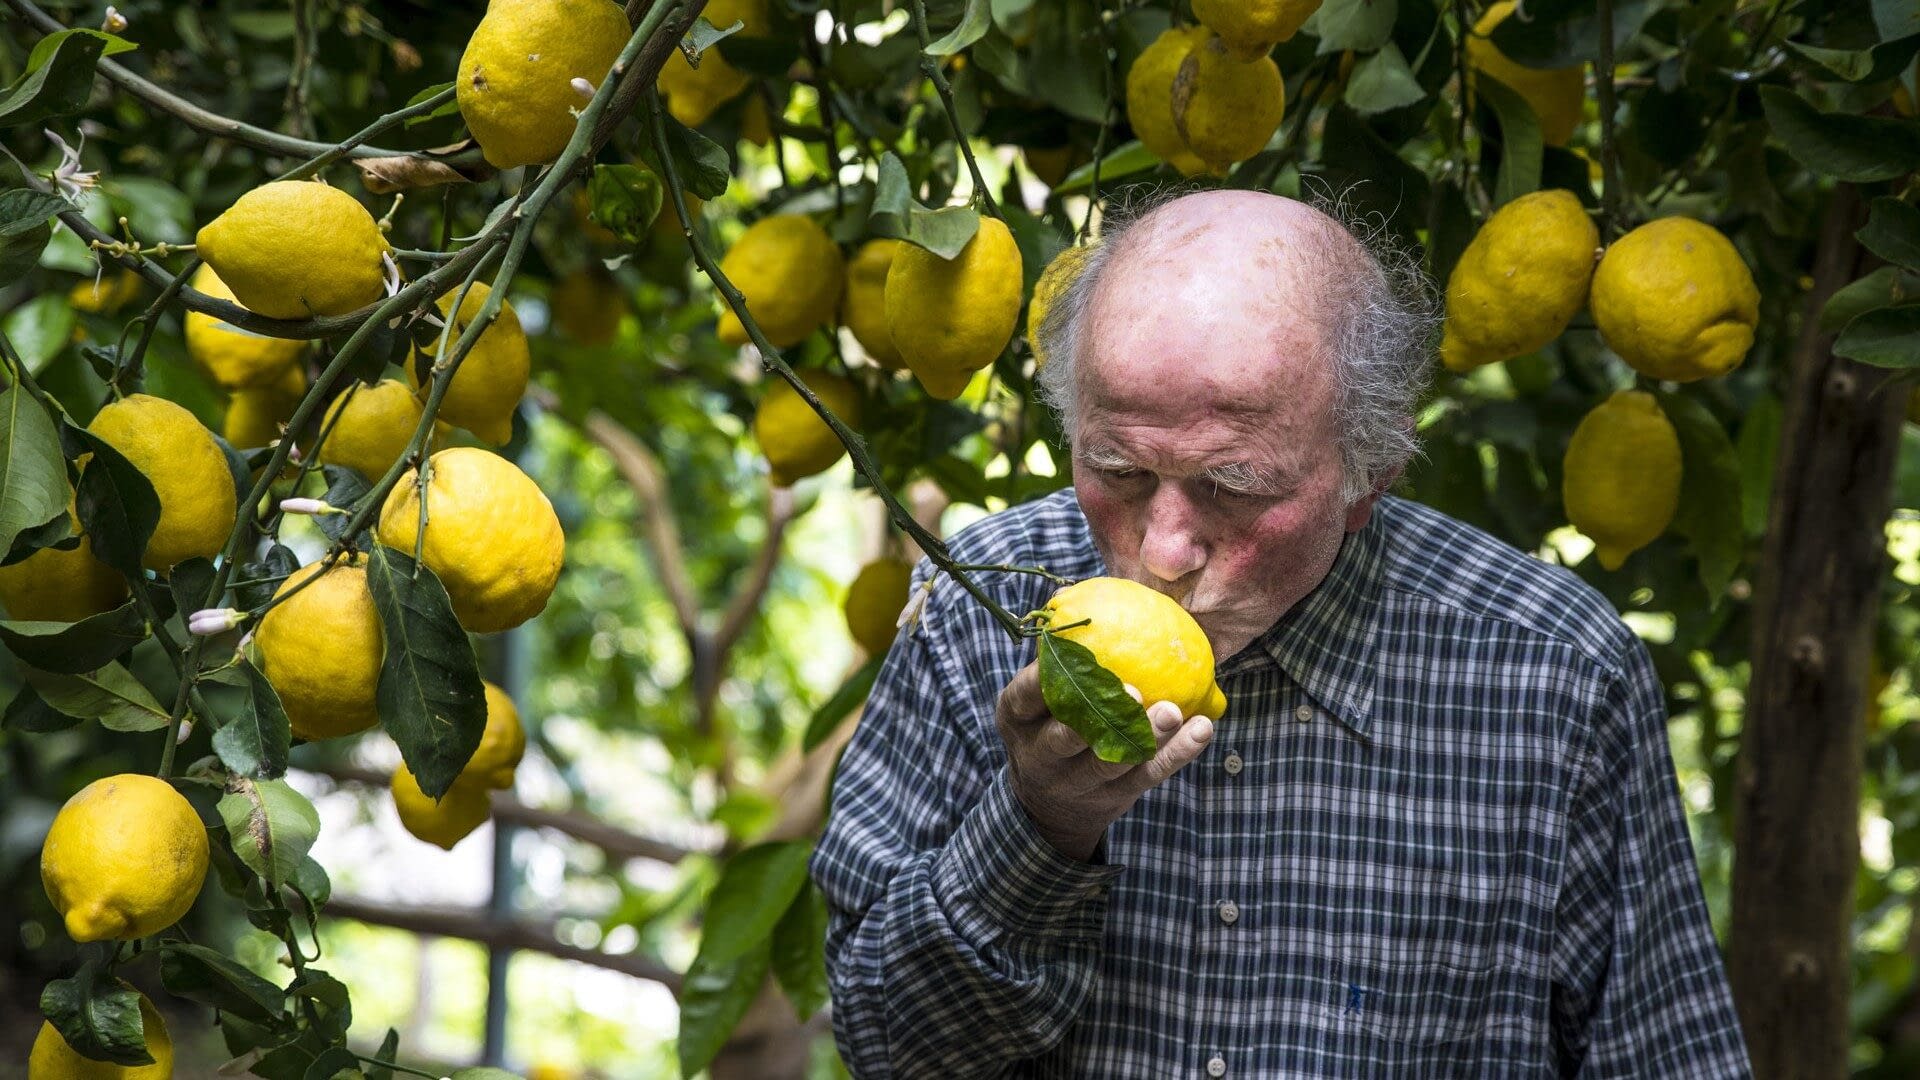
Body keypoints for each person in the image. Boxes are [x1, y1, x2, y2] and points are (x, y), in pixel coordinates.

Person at [808, 189, 1751, 1078]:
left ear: (1370, 473)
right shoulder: (981, 605)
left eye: (1235, 485)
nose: (1166, 551)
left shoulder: (1554, 673)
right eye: (1119, 469)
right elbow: (883, 1045)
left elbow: (1665, 1052)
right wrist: (1039, 829)